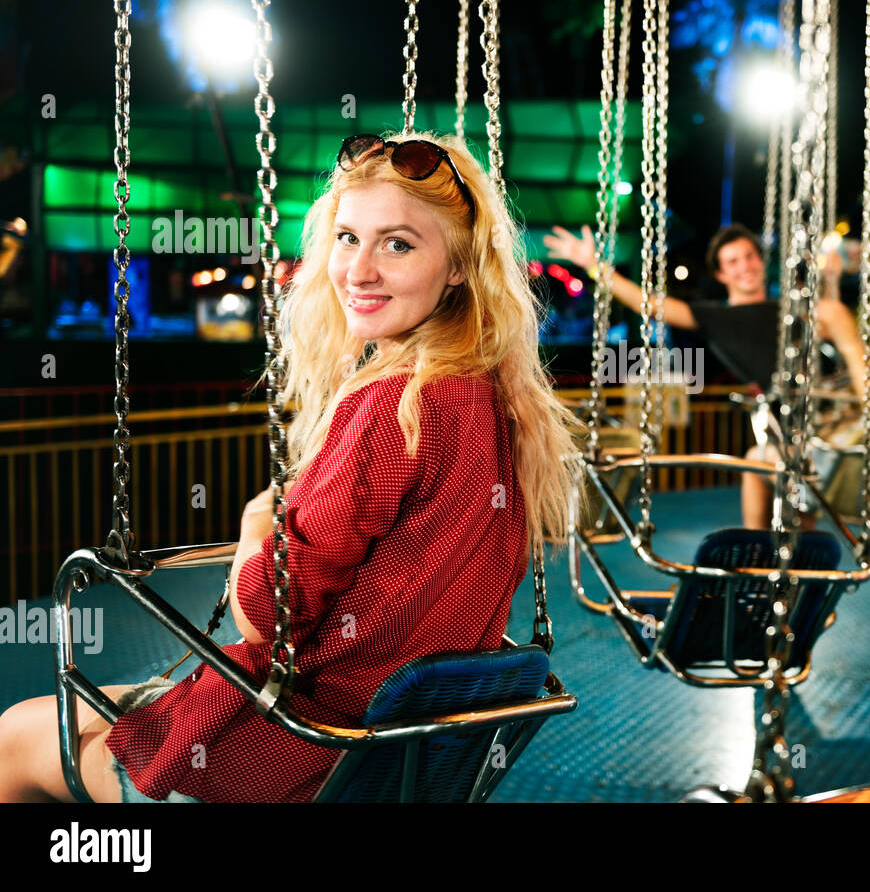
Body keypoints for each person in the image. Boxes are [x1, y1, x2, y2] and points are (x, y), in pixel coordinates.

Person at [0, 132, 578, 802]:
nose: (358, 271)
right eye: (347, 237)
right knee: (106, 704)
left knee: (16, 737)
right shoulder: (497, 396)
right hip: (401, 753)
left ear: (457, 266)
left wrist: (257, 523)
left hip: (304, 750)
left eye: (398, 244)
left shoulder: (397, 403)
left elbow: (263, 617)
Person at [544, 222, 866, 390]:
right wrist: (595, 266)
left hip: (829, 390)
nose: (745, 266)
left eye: (750, 256)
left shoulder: (787, 306)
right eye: (734, 261)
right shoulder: (715, 317)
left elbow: (833, 329)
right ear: (721, 273)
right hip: (791, 411)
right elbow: (651, 305)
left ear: (760, 260)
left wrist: (833, 280)